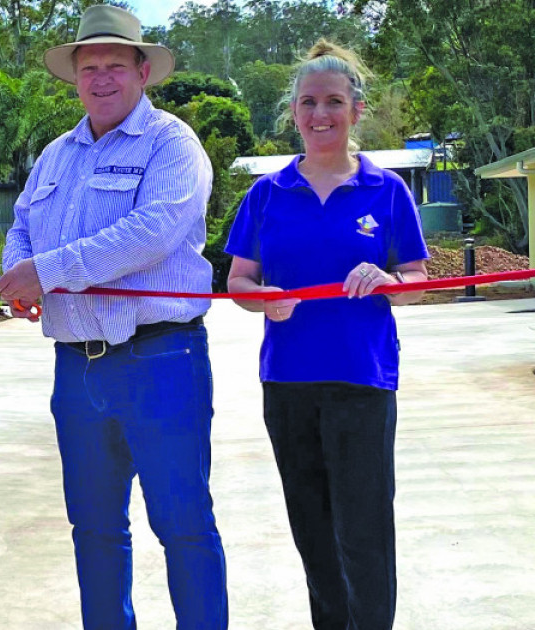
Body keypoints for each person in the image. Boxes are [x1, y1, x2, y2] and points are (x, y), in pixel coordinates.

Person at [0, 5, 228, 628]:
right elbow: (20, 226)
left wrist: (44, 272)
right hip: (76, 369)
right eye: (88, 66)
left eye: (114, 66)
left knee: (183, 523)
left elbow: (150, 233)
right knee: (94, 527)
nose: (100, 78)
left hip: (160, 360)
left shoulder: (173, 144)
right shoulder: (55, 156)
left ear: (143, 71)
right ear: (74, 76)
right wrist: (19, 275)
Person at [224, 40, 429, 630]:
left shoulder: (387, 191)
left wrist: (388, 278)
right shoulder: (266, 194)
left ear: (356, 110)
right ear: (293, 113)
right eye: (309, 102)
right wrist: (259, 299)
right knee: (313, 532)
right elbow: (239, 279)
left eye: (334, 102)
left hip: (362, 380)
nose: (321, 114)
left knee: (364, 533)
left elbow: (417, 280)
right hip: (287, 383)